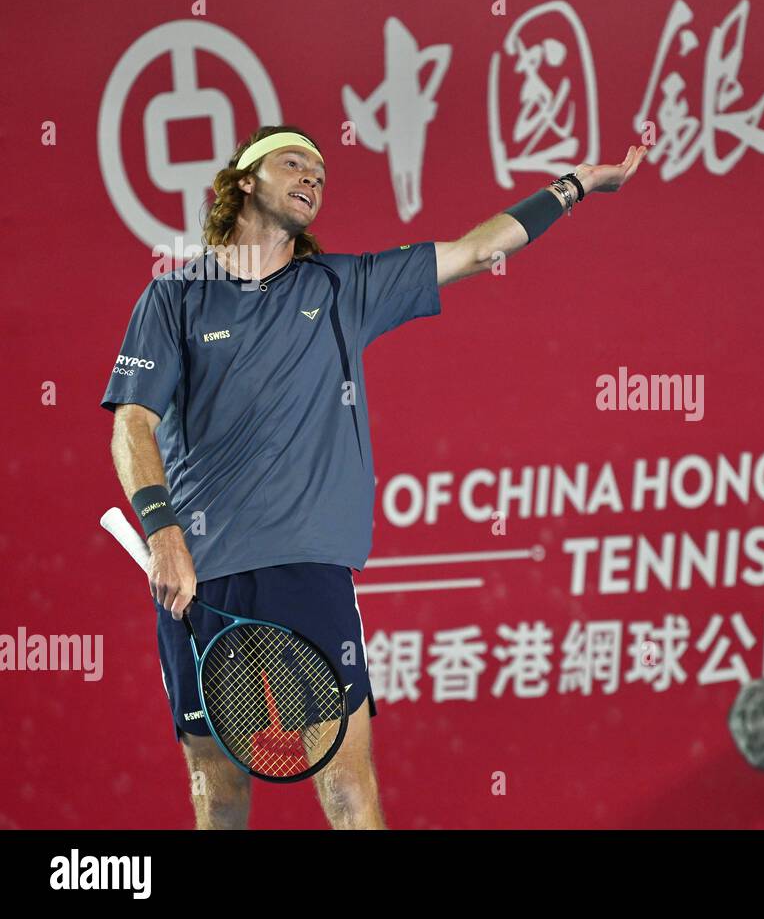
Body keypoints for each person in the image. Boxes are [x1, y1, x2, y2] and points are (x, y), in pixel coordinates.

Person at [102, 125, 646, 828]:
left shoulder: (343, 287)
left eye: (321, 173)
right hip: (199, 573)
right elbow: (131, 424)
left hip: (308, 569)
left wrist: (576, 184)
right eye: (293, 162)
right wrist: (163, 529)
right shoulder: (175, 300)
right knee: (217, 783)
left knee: (346, 781)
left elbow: (480, 249)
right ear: (243, 181)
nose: (312, 178)